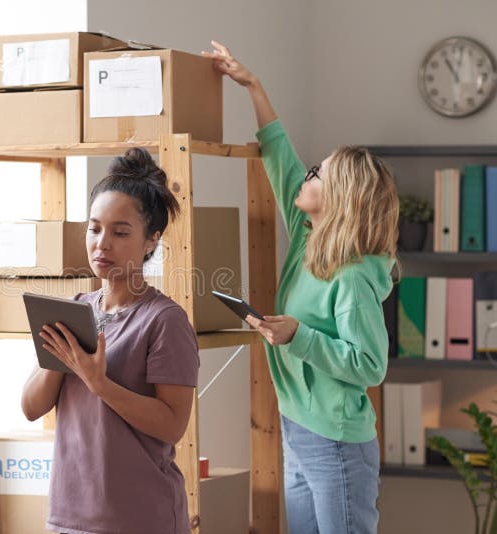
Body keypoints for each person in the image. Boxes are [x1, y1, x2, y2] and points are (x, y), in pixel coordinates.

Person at [202, 41, 399, 533]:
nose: (306, 174)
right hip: (298, 426)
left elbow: (371, 366)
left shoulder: (351, 277)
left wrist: (298, 337)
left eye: (318, 173)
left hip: (335, 440)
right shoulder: (309, 240)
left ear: (338, 200)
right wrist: (253, 86)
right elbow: (282, 160)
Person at [20, 148, 200, 534]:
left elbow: (172, 425)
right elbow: (31, 407)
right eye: (94, 228)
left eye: (120, 232)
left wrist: (99, 384)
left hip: (141, 520)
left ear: (151, 241)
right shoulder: (74, 310)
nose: (102, 243)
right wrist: (67, 361)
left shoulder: (165, 321)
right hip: (68, 516)